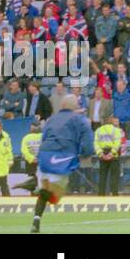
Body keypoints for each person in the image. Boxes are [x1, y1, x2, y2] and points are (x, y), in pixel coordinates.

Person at [31, 94, 95, 233]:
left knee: (46, 190)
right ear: (75, 106)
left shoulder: (51, 119)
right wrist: (86, 153)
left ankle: (36, 218)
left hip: (45, 155)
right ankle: (35, 186)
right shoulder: (80, 120)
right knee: (55, 193)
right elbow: (88, 141)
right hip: (63, 156)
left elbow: (44, 138)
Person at [94, 114, 125, 196]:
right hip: (113, 155)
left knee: (102, 175)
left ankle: (101, 194)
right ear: (111, 121)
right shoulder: (116, 130)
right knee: (114, 176)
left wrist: (100, 154)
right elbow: (117, 143)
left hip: (102, 154)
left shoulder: (98, 130)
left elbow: (96, 144)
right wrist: (112, 153)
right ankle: (114, 193)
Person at [18, 122, 42, 192]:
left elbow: (24, 150)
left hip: (33, 162)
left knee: (34, 181)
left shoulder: (26, 137)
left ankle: (35, 197)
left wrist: (32, 158)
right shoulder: (44, 136)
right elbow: (24, 150)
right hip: (38, 162)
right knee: (35, 181)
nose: (33, 129)